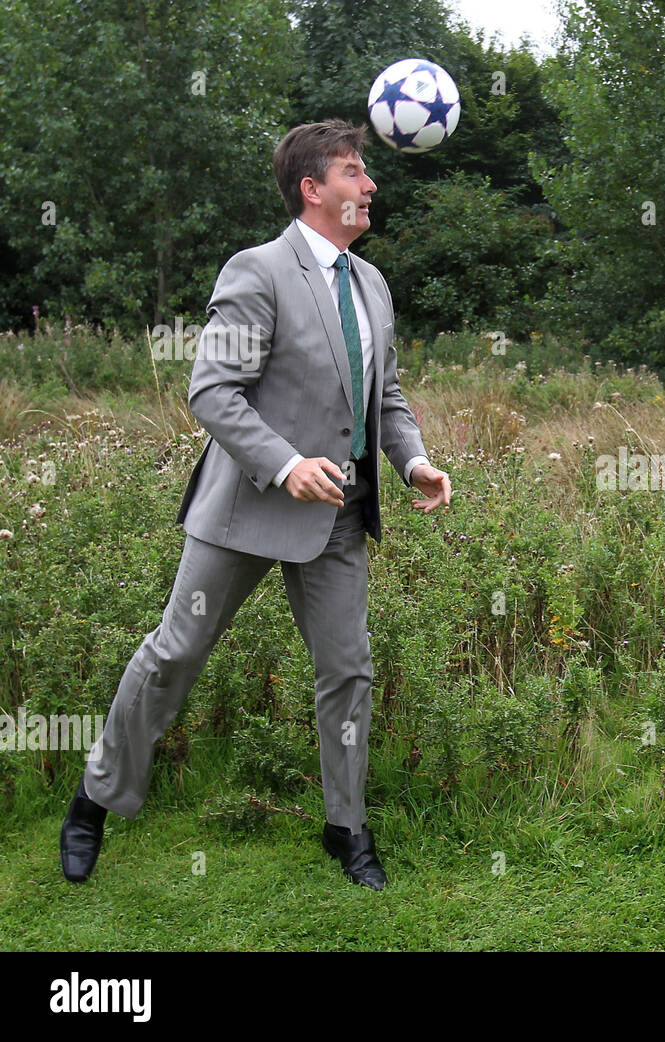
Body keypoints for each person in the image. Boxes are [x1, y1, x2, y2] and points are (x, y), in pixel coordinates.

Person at [60, 120, 452, 891]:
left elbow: (388, 399)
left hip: (339, 514)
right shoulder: (259, 272)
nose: (369, 184)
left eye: (366, 171)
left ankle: (346, 830)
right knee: (175, 654)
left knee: (348, 672)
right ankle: (94, 801)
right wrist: (282, 464)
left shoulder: (371, 285)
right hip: (245, 509)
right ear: (314, 190)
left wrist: (413, 461)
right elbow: (212, 390)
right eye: (353, 172)